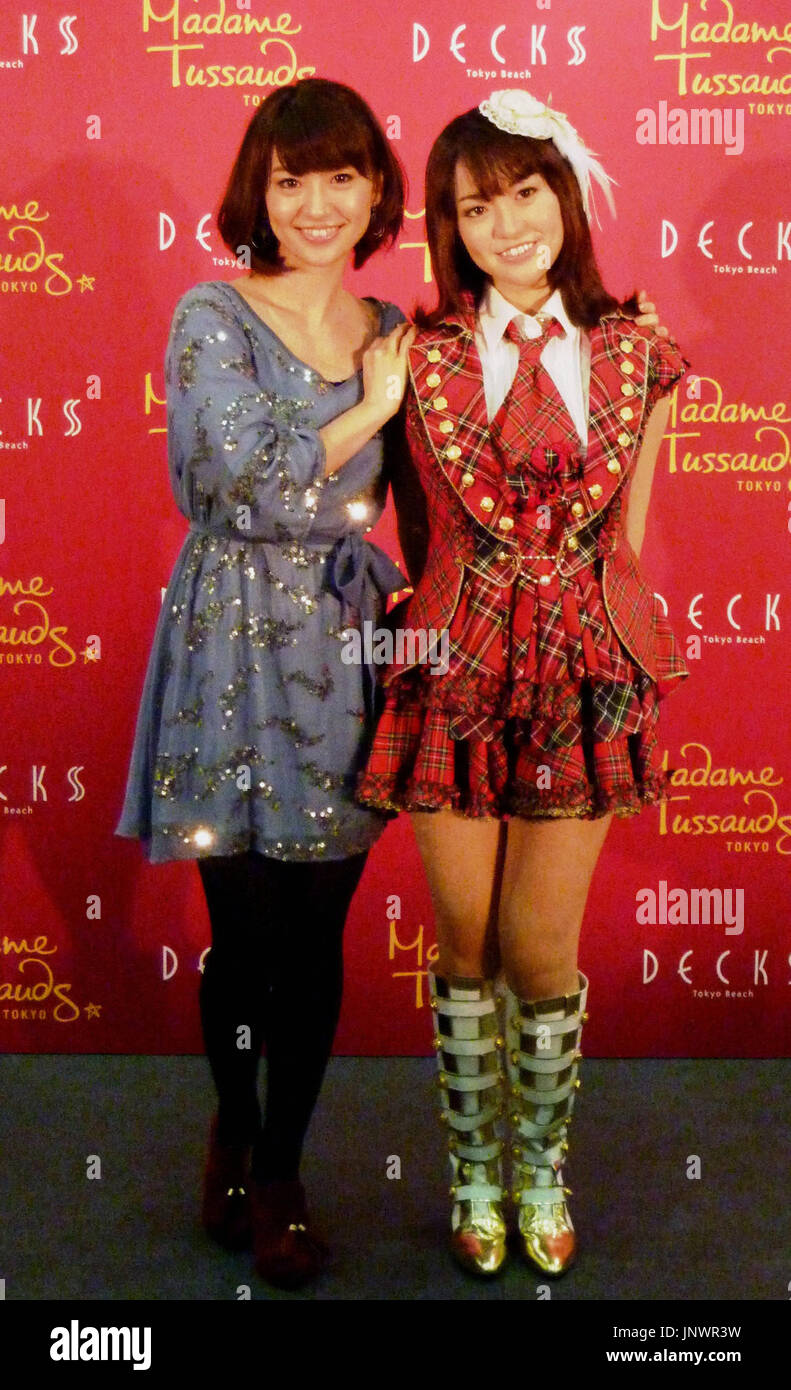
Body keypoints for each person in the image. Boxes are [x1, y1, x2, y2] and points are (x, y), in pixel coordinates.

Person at [358, 89, 689, 1279]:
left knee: (540, 950)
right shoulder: (415, 350)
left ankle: (540, 1168)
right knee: (461, 940)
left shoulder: (640, 351)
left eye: (524, 192)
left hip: (582, 679)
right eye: (473, 205)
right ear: (447, 225)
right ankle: (472, 1174)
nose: (505, 224)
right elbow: (374, 515)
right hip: (443, 667)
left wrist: (612, 637)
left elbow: (628, 544)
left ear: (565, 195)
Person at [115, 77, 415, 1289]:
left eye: (342, 176)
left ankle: (283, 1167)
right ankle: (231, 1135)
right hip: (229, 643)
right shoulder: (210, 312)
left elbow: (434, 500)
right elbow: (227, 483)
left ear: (375, 191)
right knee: (243, 941)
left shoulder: (394, 323)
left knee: (320, 935)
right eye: (293, 179)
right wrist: (370, 410)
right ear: (261, 190)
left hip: (344, 648)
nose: (317, 203)